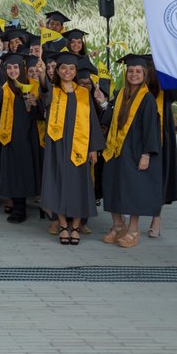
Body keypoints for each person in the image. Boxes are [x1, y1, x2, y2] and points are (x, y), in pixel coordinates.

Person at [40, 53, 105, 245]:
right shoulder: (53, 91)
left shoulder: (83, 93)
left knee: (79, 184)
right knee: (57, 182)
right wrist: (43, 74)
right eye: (63, 68)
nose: (67, 72)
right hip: (57, 145)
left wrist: (93, 148)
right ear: (57, 71)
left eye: (71, 69)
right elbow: (43, 90)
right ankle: (62, 224)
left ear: (76, 71)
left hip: (79, 145)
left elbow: (93, 121)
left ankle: (75, 226)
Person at [98, 54, 162, 249]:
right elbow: (109, 118)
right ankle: (118, 225)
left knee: (133, 191)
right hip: (115, 150)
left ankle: (133, 230)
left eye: (138, 71)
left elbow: (151, 129)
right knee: (112, 186)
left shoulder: (147, 98)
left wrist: (146, 154)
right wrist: (102, 102)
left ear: (145, 74)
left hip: (135, 151)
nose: (134, 74)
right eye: (131, 71)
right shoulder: (120, 94)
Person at [0, 53, 42, 223]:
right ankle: (18, 207)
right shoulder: (5, 88)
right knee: (12, 170)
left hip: (28, 135)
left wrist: (35, 104)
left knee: (24, 170)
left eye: (15, 67)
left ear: (22, 69)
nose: (12, 71)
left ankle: (22, 208)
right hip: (9, 135)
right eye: (9, 68)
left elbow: (41, 114)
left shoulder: (33, 86)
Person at [146, 54, 177, 238]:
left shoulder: (165, 87)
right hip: (139, 138)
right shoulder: (139, 83)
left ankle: (156, 218)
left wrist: (173, 69)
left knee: (160, 177)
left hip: (162, 135)